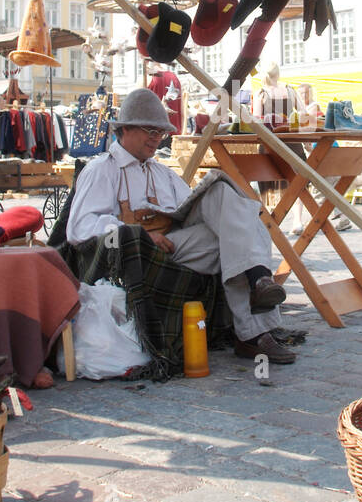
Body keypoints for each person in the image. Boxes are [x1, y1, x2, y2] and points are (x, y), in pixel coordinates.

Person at [66, 88, 296, 364]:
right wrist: (139, 234)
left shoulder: (161, 173)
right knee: (240, 230)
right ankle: (255, 320)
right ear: (125, 129)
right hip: (137, 255)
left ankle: (255, 314)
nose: (156, 138)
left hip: (177, 244)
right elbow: (79, 227)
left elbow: (204, 210)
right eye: (149, 130)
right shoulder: (102, 169)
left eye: (160, 132)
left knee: (232, 214)